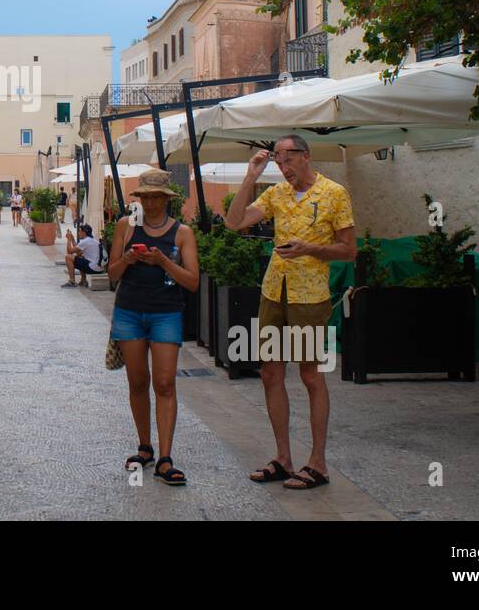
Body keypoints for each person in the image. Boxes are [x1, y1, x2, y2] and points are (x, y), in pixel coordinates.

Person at [223, 134, 355, 491]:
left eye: (287, 160)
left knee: (311, 376)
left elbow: (348, 250)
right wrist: (251, 176)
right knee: (269, 373)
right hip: (274, 291)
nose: (282, 167)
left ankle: (318, 463)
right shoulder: (276, 193)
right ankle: (283, 458)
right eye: (277, 161)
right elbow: (234, 223)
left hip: (310, 296)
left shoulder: (334, 193)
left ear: (306, 156)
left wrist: (310, 248)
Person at [106, 168, 199, 487]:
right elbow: (113, 274)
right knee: (137, 381)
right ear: (140, 198)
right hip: (129, 311)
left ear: (166, 199)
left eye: (156, 196)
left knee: (165, 383)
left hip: (166, 313)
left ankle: (166, 458)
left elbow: (192, 281)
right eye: (145, 196)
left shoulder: (182, 232)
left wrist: (162, 261)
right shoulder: (125, 226)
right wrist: (129, 259)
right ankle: (145, 447)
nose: (151, 202)